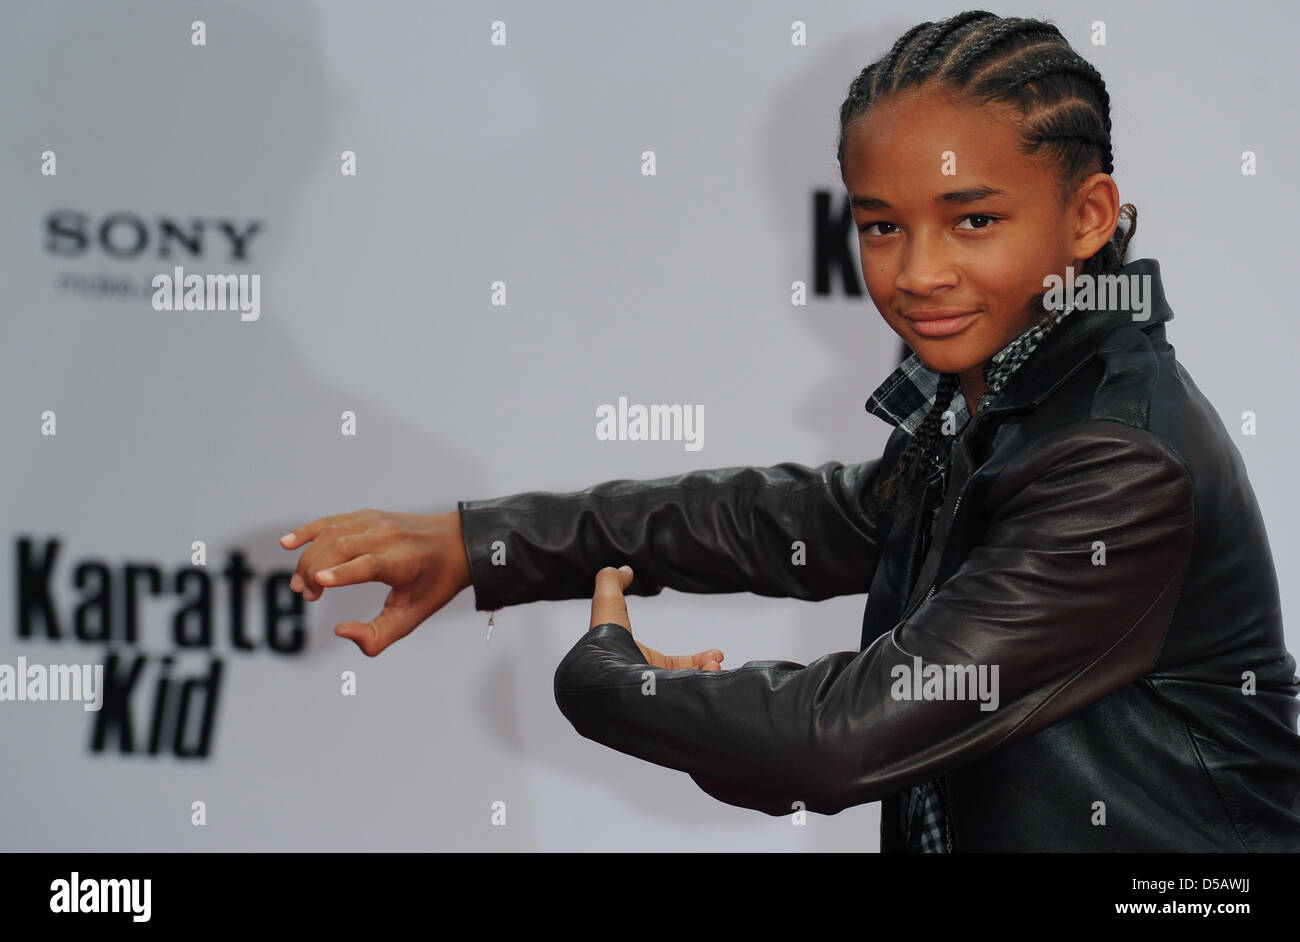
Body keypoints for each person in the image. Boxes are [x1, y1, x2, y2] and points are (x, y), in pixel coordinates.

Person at [279, 10, 1300, 851]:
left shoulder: (1115, 460)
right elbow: (789, 521)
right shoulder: (1013, 397)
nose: (917, 271)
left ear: (1086, 219)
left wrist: (608, 684)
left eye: (972, 220)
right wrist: (486, 542)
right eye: (881, 225)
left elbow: (839, 739)